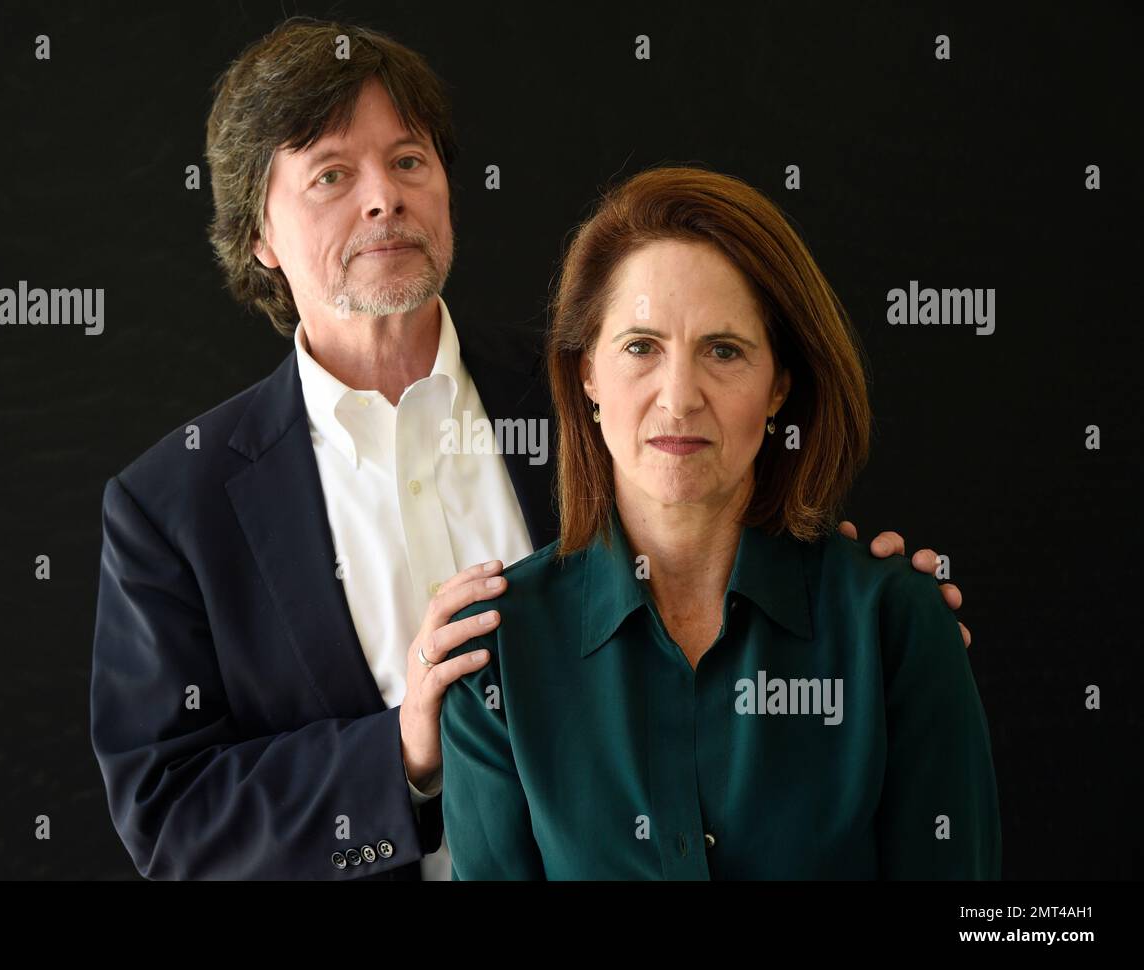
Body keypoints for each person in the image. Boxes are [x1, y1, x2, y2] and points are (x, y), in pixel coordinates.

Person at [90, 17, 971, 881]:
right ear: (259, 235)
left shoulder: (606, 394)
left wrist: (865, 626)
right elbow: (169, 822)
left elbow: (731, 572)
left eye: (409, 161)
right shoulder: (174, 505)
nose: (382, 196)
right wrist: (404, 751)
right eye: (330, 174)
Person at [439, 165, 1001, 879]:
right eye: (641, 347)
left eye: (724, 351)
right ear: (587, 376)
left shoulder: (893, 625)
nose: (678, 398)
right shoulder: (496, 657)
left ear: (780, 388)